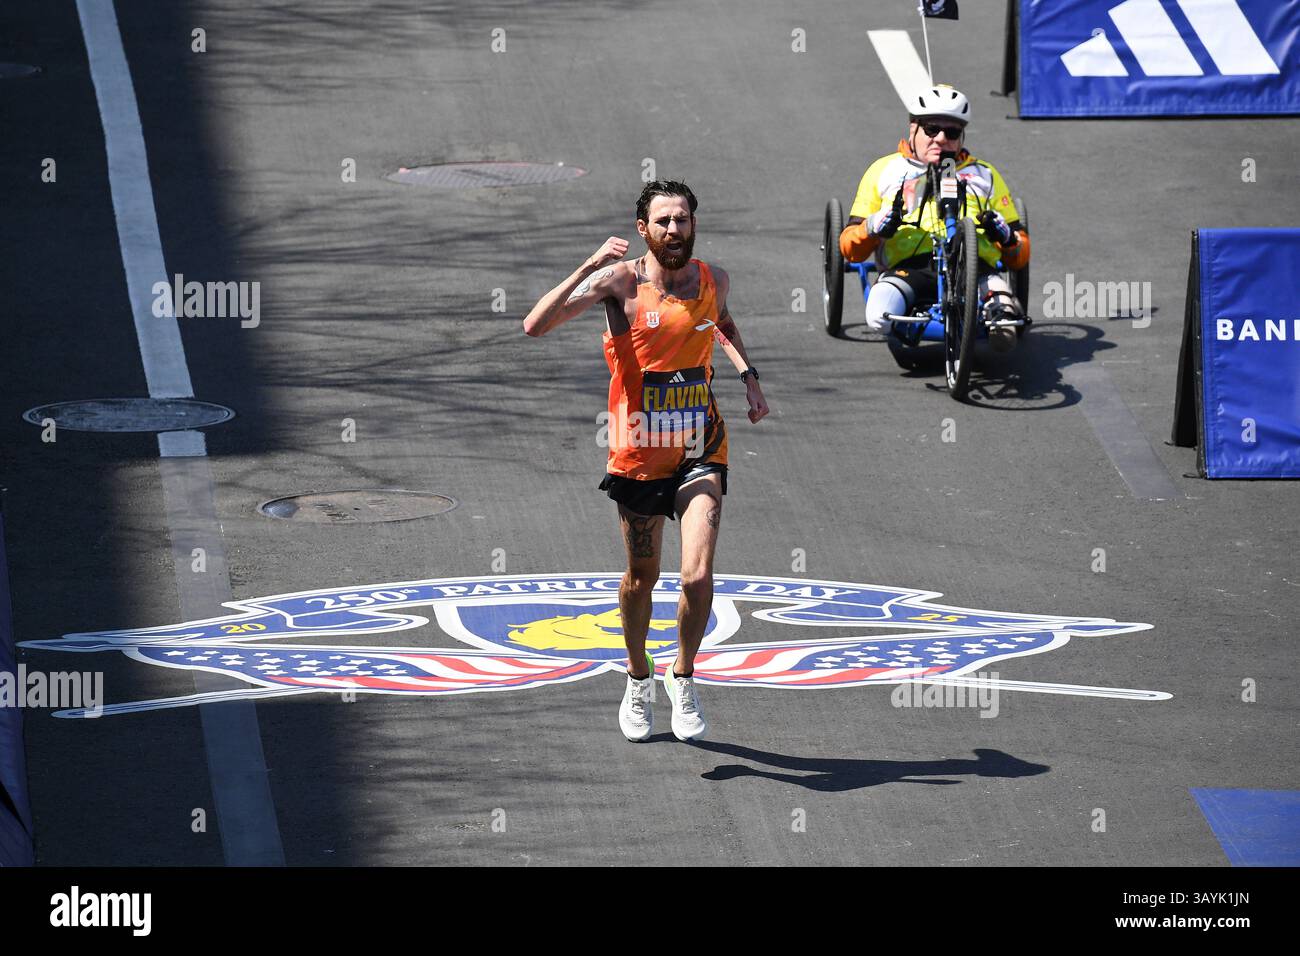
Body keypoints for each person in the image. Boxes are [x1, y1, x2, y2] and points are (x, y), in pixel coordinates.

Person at [522, 180, 769, 742]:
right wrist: (589, 262)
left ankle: (683, 676)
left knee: (698, 573)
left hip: (699, 445)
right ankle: (638, 677)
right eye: (662, 222)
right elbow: (535, 325)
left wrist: (748, 377)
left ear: (694, 224)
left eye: (682, 220)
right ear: (643, 229)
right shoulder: (620, 282)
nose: (674, 231)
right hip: (636, 450)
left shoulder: (713, 280)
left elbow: (720, 323)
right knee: (641, 578)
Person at [838, 84, 1031, 351]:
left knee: (1006, 328)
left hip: (974, 269)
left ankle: (996, 314)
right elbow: (850, 249)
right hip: (908, 268)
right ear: (913, 128)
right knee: (878, 317)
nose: (941, 139)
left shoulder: (984, 175)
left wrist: (1006, 235)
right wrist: (872, 226)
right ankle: (914, 323)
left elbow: (1020, 255)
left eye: (951, 132)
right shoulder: (884, 170)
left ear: (962, 136)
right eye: (931, 130)